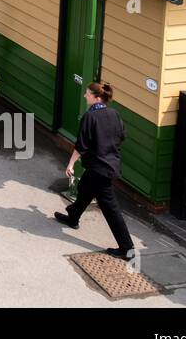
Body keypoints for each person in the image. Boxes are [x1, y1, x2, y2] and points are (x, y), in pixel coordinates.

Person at [55, 82, 136, 259]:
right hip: (109, 165)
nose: (85, 96)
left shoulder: (89, 117)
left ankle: (127, 249)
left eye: (87, 94)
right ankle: (73, 216)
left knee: (111, 208)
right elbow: (122, 135)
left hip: (100, 168)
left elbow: (81, 146)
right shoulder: (113, 114)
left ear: (96, 97)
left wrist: (70, 164)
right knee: (85, 188)